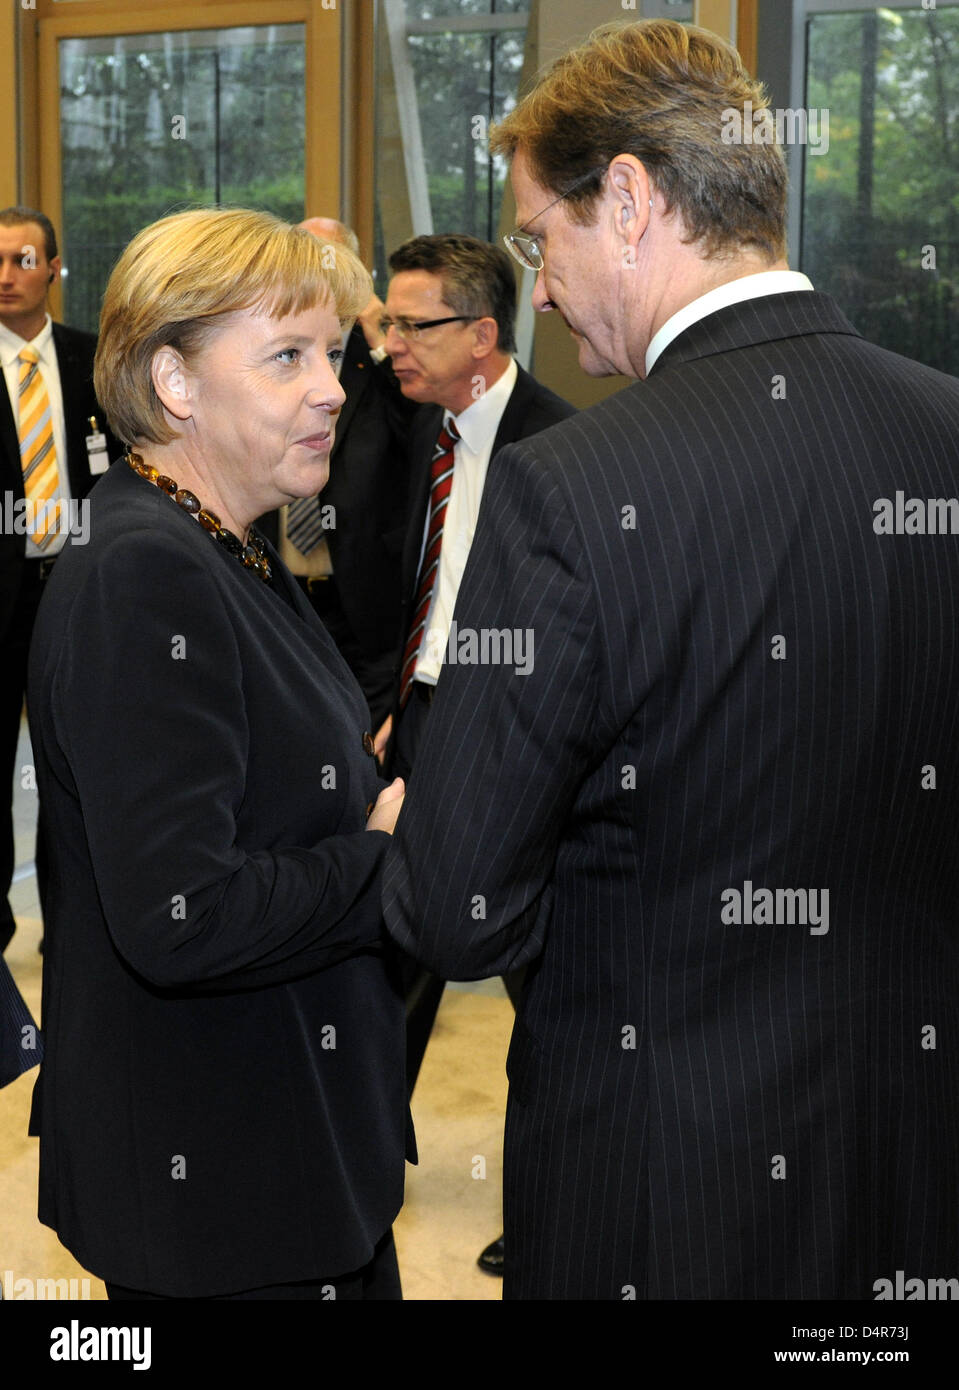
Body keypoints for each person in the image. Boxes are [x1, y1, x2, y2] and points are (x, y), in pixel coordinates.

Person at [382, 18, 959, 1299]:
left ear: (629, 201)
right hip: (911, 1169)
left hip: (659, 1193)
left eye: (541, 239)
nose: (535, 287)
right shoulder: (944, 433)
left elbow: (455, 908)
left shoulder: (565, 491)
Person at [27, 207, 410, 1300]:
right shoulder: (150, 571)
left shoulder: (227, 538)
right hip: (226, 1183)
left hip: (281, 1143)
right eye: (286, 356)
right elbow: (181, 914)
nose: (332, 387)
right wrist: (378, 853)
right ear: (175, 383)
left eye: (332, 353)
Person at [374, 233, 575, 1276]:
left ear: (482, 336)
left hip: (519, 736)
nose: (389, 343)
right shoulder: (414, 430)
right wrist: (388, 699)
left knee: (535, 985)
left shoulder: (563, 445)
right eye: (388, 318)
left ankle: (541, 1202)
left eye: (413, 324)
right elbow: (386, 583)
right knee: (388, 952)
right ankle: (363, 1157)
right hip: (418, 716)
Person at [0, 206, 116, 953]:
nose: (6, 275)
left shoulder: (92, 360)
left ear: (53, 269)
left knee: (74, 763)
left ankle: (69, 925)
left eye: (21, 259)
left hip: (77, 590)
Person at [258, 217, 416, 729]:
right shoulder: (269, 353)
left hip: (364, 602)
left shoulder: (381, 360)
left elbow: (420, 435)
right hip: (277, 588)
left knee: (366, 751)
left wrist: (379, 341)